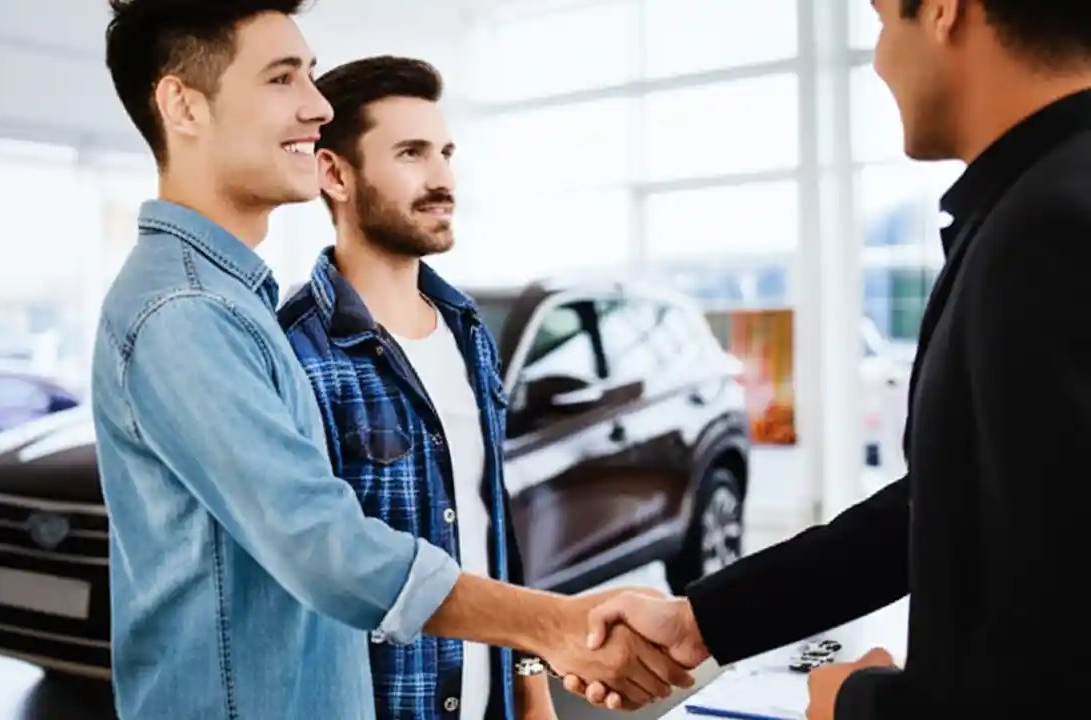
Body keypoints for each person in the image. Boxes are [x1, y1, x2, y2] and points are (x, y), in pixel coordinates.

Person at [93, 2, 692, 717]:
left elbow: (480, 521)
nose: (316, 107)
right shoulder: (187, 314)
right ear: (182, 105)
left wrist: (526, 665)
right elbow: (326, 548)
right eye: (282, 79)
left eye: (311, 77)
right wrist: (558, 626)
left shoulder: (241, 301)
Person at [570, 0, 1091, 718]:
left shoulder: (1045, 233)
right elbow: (945, 505)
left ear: (943, 11)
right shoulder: (1039, 206)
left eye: (881, 20)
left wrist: (856, 703)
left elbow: (1051, 648)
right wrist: (701, 621)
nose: (878, 59)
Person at [276, 56, 556, 720]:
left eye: (446, 152)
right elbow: (308, 575)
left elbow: (491, 525)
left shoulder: (466, 329)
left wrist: (532, 683)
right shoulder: (292, 352)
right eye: (411, 153)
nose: (442, 179)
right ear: (334, 173)